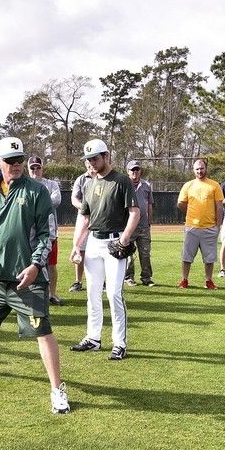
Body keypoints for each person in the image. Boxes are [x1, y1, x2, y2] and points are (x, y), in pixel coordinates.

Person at [0, 137, 69, 415]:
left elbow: (46, 235)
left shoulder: (37, 192)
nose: (16, 165)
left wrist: (35, 266)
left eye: (20, 160)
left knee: (42, 329)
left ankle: (57, 389)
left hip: (27, 278)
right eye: (10, 161)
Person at [69, 139, 139, 360]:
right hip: (94, 243)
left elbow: (135, 212)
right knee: (92, 293)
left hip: (114, 242)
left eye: (95, 158)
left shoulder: (121, 181)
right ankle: (93, 338)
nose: (91, 162)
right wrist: (76, 245)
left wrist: (125, 239)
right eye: (88, 159)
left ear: (106, 156)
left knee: (114, 293)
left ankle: (119, 343)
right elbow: (85, 217)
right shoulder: (88, 184)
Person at [177, 158, 224, 289]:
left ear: (206, 168)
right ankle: (184, 280)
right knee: (187, 257)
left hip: (209, 228)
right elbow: (180, 203)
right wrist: (190, 213)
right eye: (197, 169)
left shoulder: (214, 185)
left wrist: (218, 226)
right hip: (191, 227)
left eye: (201, 168)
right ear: (193, 170)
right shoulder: (188, 185)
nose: (199, 171)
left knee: (209, 259)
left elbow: (219, 206)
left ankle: (209, 281)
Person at [27, 155, 64, 304]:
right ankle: (32, 293)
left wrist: (36, 202)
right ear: (28, 170)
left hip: (50, 232)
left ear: (43, 168)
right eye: (32, 168)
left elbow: (56, 200)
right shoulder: (24, 185)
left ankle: (51, 294)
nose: (36, 170)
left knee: (51, 265)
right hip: (30, 233)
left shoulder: (51, 184)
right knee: (30, 263)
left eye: (38, 167)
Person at [124, 160, 154, 286]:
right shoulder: (124, 185)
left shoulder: (146, 186)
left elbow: (150, 205)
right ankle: (128, 277)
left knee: (145, 253)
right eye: (132, 170)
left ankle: (146, 278)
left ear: (140, 171)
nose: (135, 172)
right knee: (129, 255)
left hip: (143, 226)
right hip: (129, 226)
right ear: (128, 171)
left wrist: (149, 223)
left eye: (137, 169)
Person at [67, 166, 95, 292]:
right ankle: (78, 281)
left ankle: (104, 282)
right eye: (88, 161)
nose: (91, 164)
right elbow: (74, 199)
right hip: (83, 217)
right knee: (80, 249)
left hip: (101, 218)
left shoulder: (106, 178)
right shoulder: (81, 179)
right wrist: (84, 208)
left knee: (102, 248)